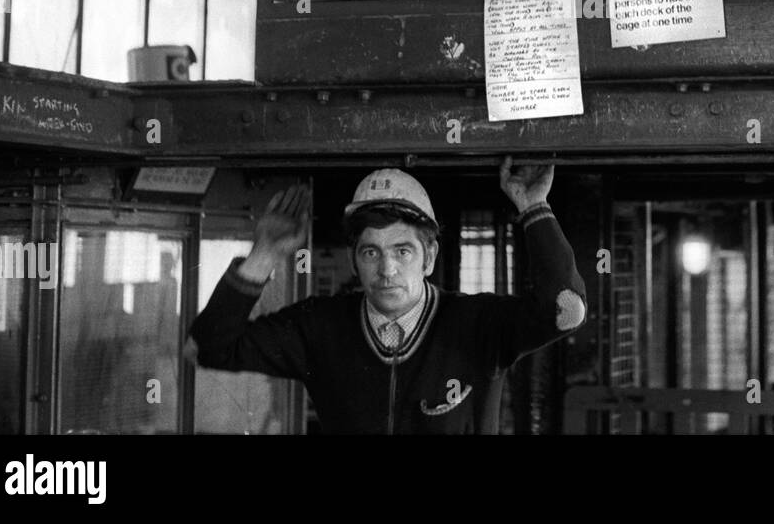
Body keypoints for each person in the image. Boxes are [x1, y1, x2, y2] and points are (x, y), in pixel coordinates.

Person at [190, 157, 587, 434]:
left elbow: (566, 309)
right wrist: (265, 253)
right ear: (354, 260)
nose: (387, 270)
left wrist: (534, 206)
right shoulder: (319, 327)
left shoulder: (478, 324)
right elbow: (205, 348)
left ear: (428, 256)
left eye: (403, 251)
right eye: (370, 252)